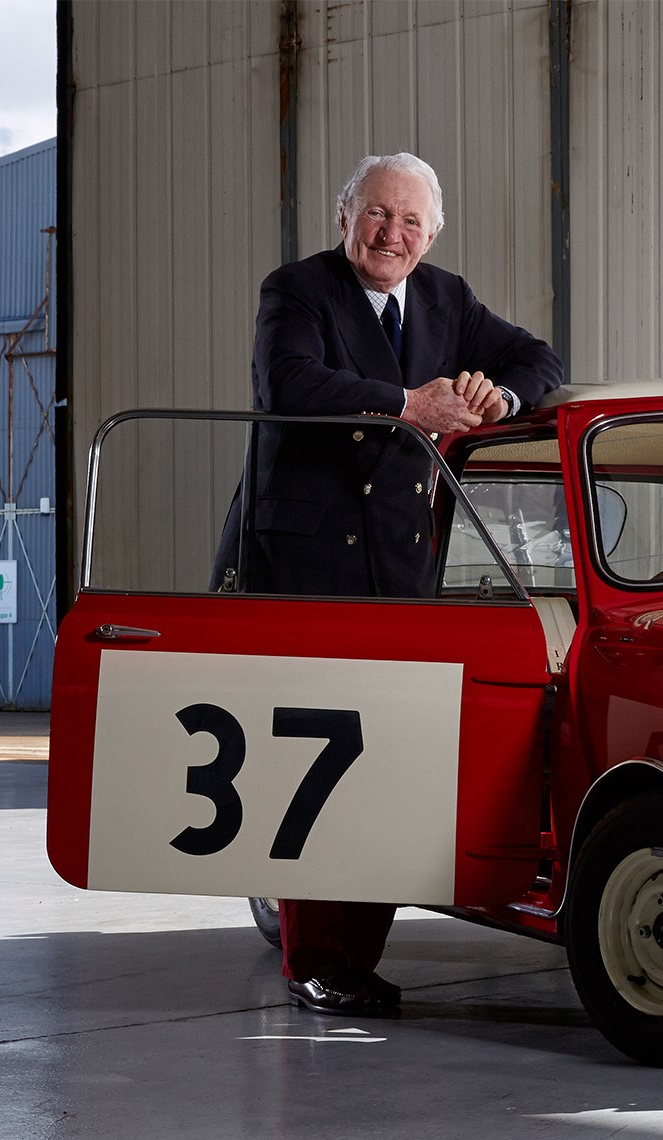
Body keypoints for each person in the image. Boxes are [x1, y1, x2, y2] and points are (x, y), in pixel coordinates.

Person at [213, 152, 563, 1018]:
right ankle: (318, 960)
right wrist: (409, 404)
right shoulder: (295, 291)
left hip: (401, 571)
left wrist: (499, 395)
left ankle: (352, 952)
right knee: (317, 761)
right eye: (377, 215)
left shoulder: (448, 298)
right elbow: (289, 384)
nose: (391, 235)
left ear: (432, 233)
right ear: (345, 216)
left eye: (410, 222)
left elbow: (539, 357)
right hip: (309, 568)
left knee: (379, 762)